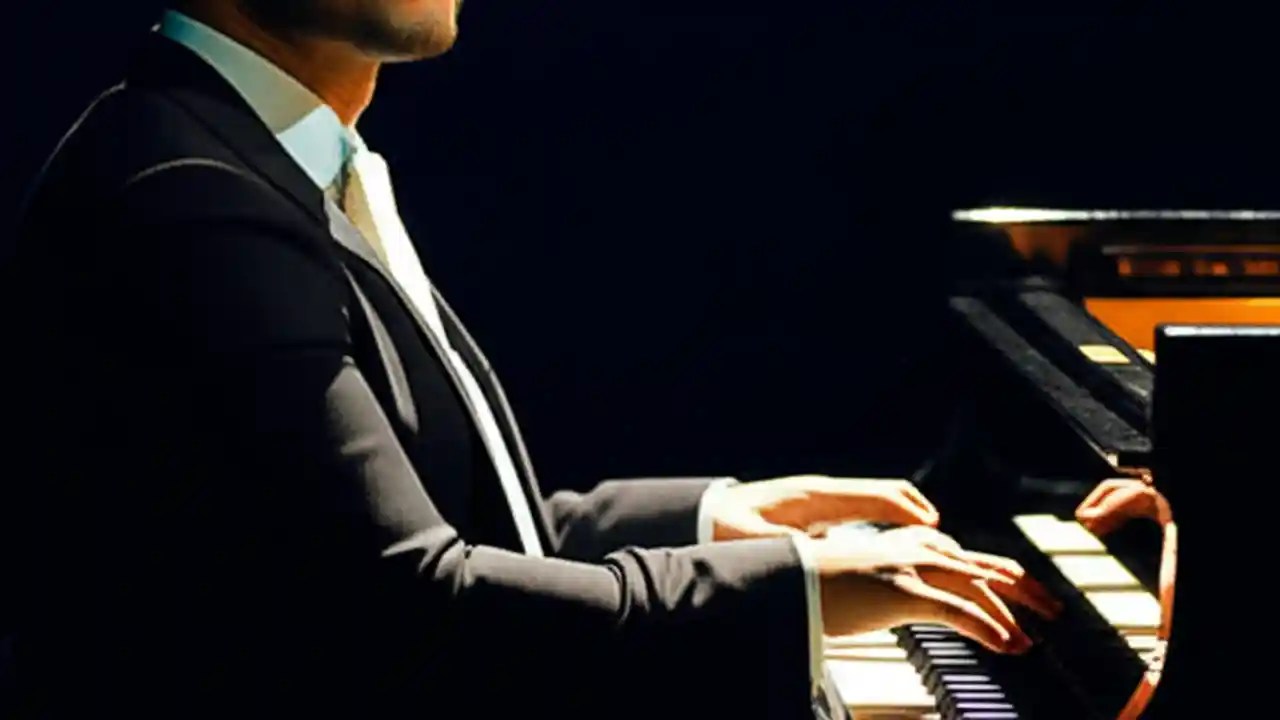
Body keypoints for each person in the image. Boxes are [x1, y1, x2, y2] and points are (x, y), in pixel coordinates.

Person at [4, 2, 1057, 717]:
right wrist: (794, 585)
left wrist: (712, 518)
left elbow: (393, 541)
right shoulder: (186, 193)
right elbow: (408, 610)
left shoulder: (244, 153)